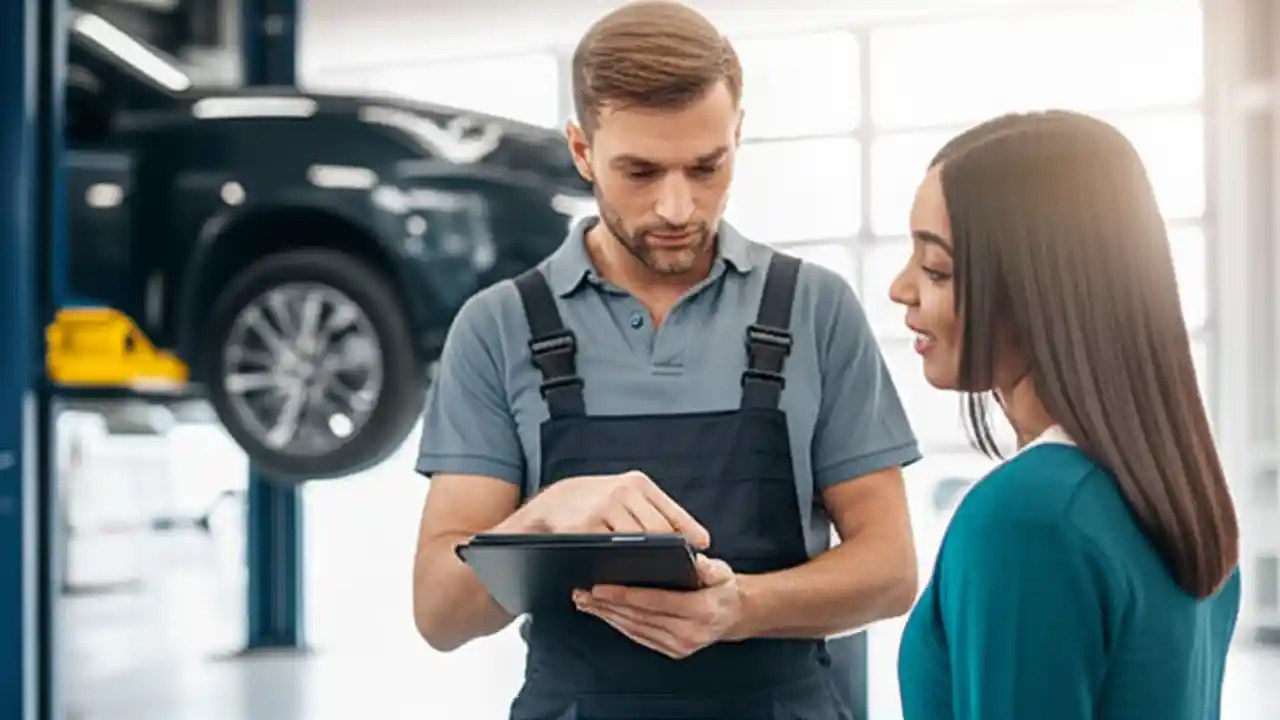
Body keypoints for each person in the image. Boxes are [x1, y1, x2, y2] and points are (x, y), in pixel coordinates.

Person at [410, 2, 922, 718]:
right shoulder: (498, 329)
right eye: (641, 172)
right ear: (582, 151)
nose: (678, 207)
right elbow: (439, 613)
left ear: (738, 135)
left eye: (706, 167)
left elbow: (891, 569)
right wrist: (549, 515)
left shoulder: (814, 310)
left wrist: (737, 607)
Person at [890, 109, 1242, 720]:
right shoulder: (1180, 502)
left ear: (1033, 289)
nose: (901, 288)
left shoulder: (1027, 516)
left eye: (937, 269)